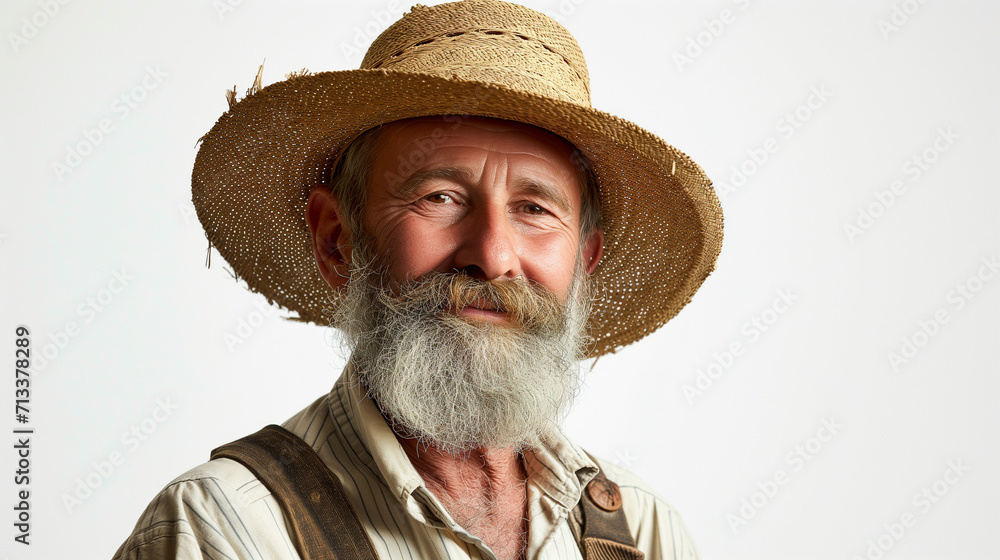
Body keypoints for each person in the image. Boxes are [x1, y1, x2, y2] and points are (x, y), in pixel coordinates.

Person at [113, 1, 722, 559]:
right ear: (337, 240)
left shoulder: (643, 532)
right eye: (441, 196)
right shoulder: (224, 528)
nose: (493, 255)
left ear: (583, 262)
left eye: (535, 208)